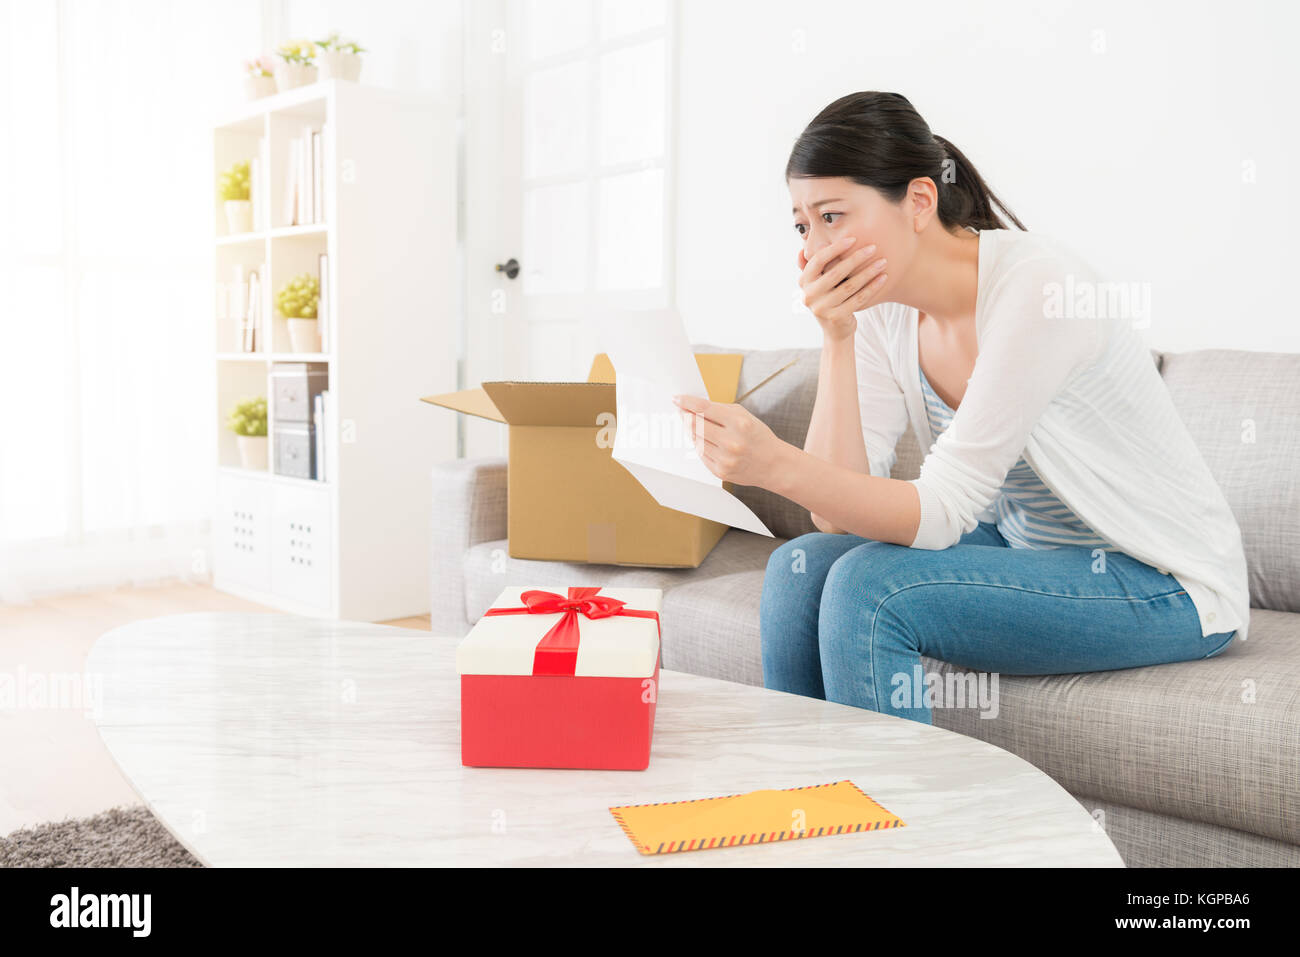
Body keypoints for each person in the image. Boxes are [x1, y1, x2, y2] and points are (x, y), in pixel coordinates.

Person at [670, 91, 1247, 724]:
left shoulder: (1038, 288)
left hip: (1161, 582)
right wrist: (837, 337)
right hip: (1031, 552)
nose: (814, 250)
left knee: (871, 590)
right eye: (803, 226)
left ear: (920, 201)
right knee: (798, 569)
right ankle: (811, 805)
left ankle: (894, 821)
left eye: (833, 216)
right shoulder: (883, 311)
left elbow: (941, 514)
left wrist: (772, 463)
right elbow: (831, 517)